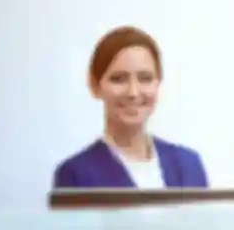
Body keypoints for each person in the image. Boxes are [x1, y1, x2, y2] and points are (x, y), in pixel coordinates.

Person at [53, 26, 209, 189]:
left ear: (158, 83)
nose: (133, 92)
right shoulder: (75, 174)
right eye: (119, 79)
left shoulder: (189, 165)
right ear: (94, 85)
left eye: (145, 78)